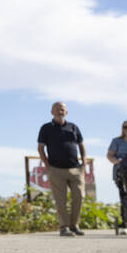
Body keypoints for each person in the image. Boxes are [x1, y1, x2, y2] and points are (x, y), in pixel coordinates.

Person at [37, 102, 87, 237]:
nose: (60, 111)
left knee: (79, 196)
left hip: (75, 169)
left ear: (66, 112)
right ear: (52, 112)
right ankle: (64, 227)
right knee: (61, 200)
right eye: (57, 109)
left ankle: (74, 225)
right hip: (56, 169)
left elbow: (81, 145)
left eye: (63, 109)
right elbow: (41, 148)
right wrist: (47, 165)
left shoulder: (73, 127)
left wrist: (84, 161)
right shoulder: (46, 128)